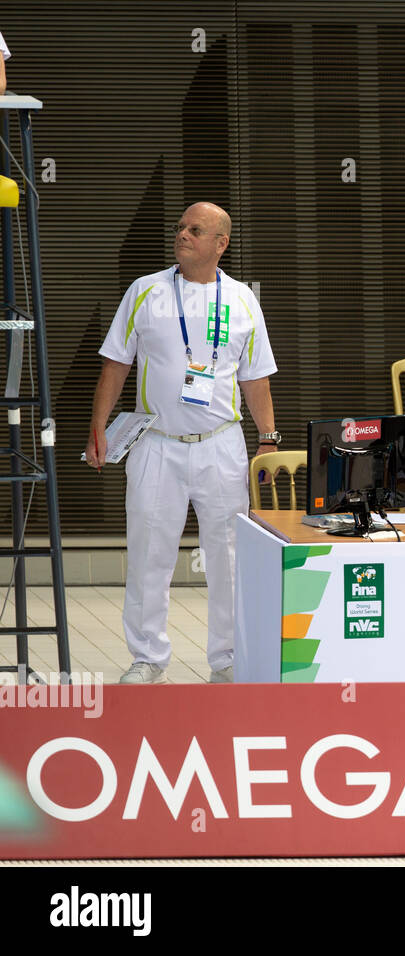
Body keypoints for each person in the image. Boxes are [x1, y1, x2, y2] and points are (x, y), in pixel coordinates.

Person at [86, 202, 278, 684]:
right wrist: (97, 427)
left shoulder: (241, 300)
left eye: (195, 229)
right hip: (156, 442)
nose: (183, 235)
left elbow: (257, 379)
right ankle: (148, 657)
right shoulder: (145, 290)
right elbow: (115, 364)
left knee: (228, 556)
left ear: (221, 243)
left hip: (221, 443)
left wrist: (269, 439)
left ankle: (228, 658)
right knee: (150, 551)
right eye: (180, 228)